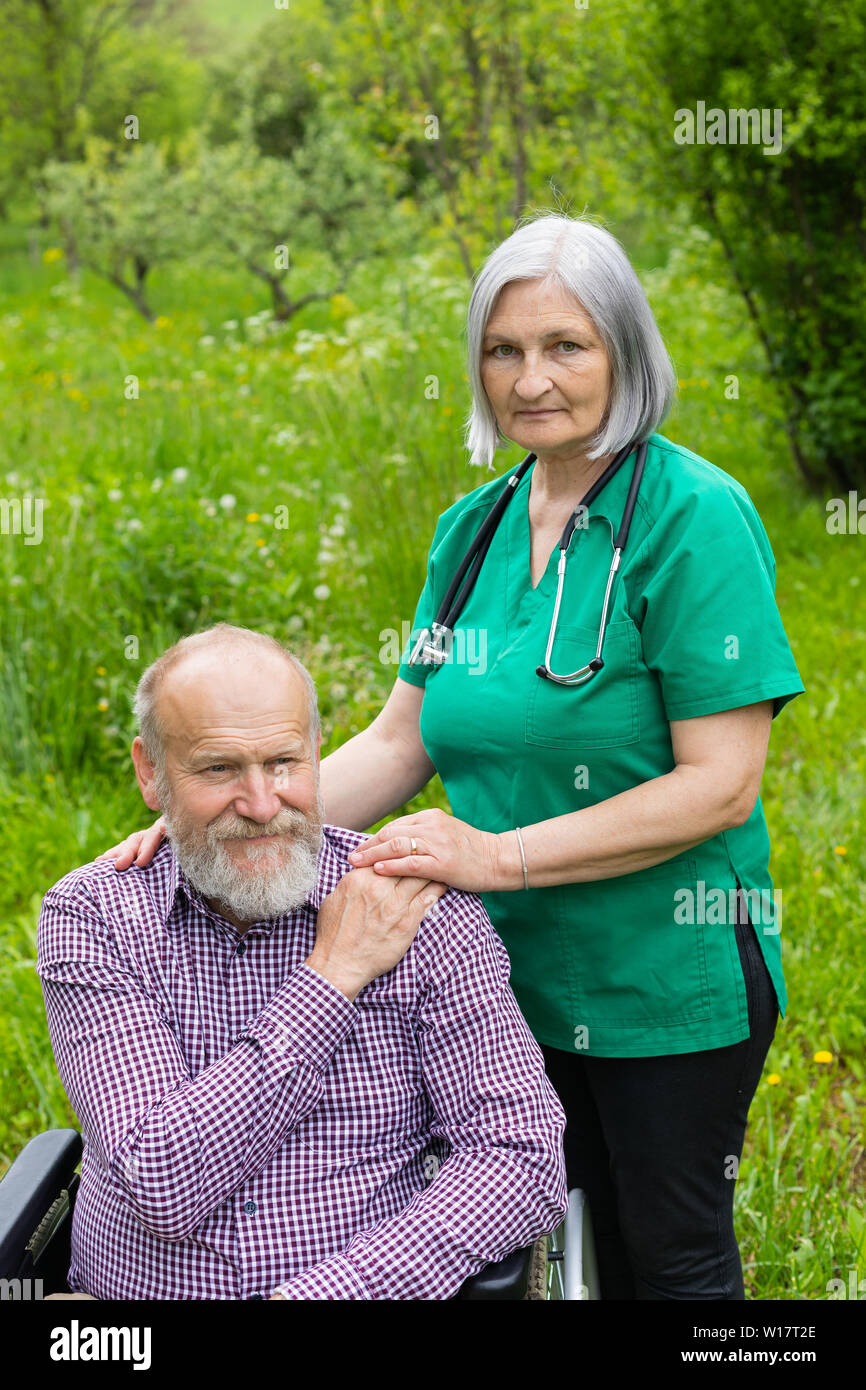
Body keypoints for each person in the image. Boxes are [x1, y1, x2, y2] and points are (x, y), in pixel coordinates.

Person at [101, 212, 805, 1300]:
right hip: (506, 973)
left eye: (565, 344)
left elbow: (721, 784)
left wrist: (495, 856)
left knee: (664, 1255)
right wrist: (241, 813)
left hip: (661, 972)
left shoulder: (693, 517)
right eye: (502, 349)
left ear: (623, 348)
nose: (531, 378)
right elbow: (399, 741)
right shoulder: (469, 533)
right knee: (551, 1244)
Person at [38, 623, 567, 1301]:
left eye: (284, 762)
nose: (261, 806)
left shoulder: (420, 904)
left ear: (319, 752)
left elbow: (518, 1158)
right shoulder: (95, 916)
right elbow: (161, 1184)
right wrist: (331, 977)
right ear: (151, 771)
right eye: (217, 768)